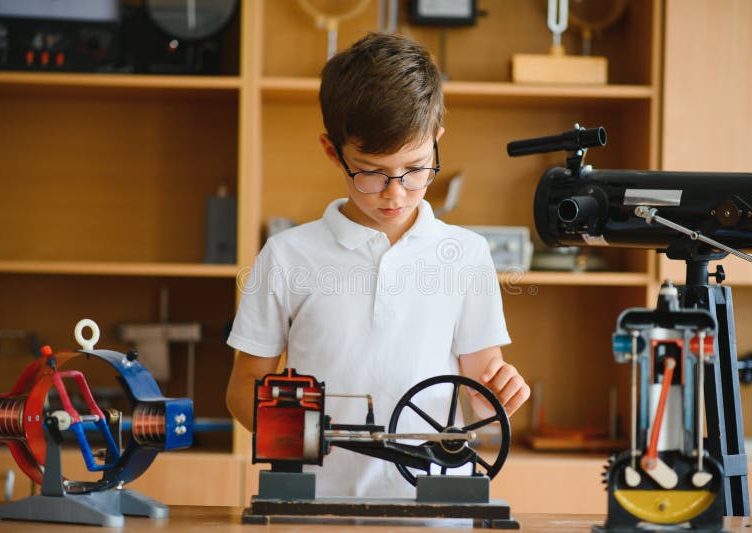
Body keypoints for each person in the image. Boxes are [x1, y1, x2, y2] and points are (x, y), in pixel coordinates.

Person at [225, 32, 530, 498]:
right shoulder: (286, 256)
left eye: (416, 168)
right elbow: (243, 387)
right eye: (372, 172)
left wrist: (499, 396)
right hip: (316, 506)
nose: (396, 193)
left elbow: (482, 386)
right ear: (333, 152)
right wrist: (299, 434)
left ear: (437, 142)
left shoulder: (467, 255)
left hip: (435, 508)